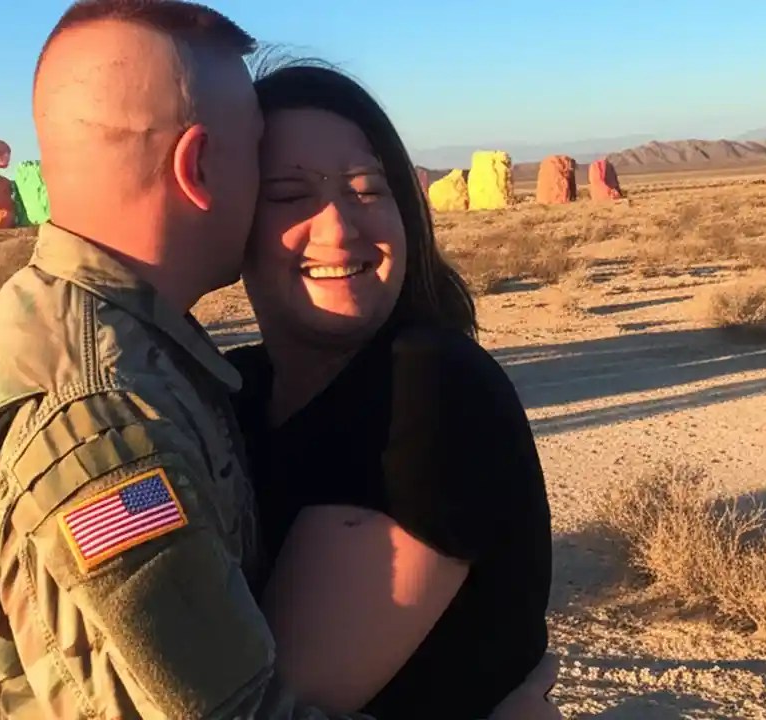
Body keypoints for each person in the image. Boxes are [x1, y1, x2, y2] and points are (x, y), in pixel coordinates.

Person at [0, 1, 557, 718]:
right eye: (280, 184)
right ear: (200, 166)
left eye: (367, 188)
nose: (335, 224)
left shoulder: (129, 363)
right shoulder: (105, 411)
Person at [225, 61, 557, 719]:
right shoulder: (233, 390)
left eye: (367, 189)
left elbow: (268, 707)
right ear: (231, 224)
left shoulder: (429, 387)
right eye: (289, 194)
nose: (339, 228)